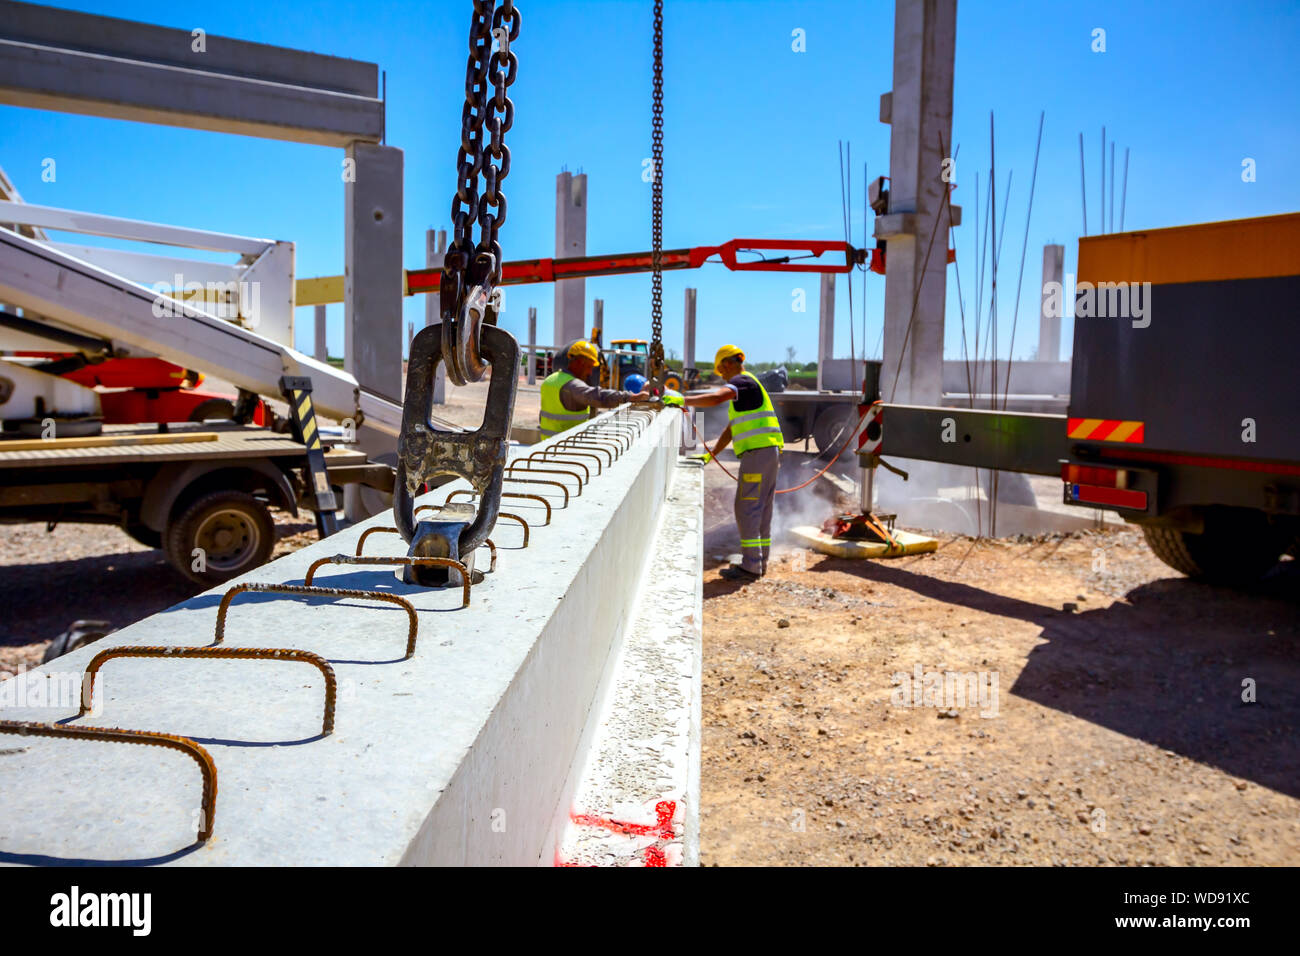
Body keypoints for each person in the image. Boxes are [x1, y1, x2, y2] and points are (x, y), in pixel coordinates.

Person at [679, 344, 783, 581]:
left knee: (746, 509)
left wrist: (683, 399)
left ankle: (750, 566)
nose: (722, 376)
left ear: (727, 364)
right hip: (768, 454)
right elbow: (731, 428)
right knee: (762, 510)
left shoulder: (742, 382)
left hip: (757, 456)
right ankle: (759, 562)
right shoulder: (750, 385)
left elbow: (716, 398)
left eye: (721, 371)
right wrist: (712, 453)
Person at [538, 339, 651, 438]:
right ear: (579, 363)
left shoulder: (550, 380)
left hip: (547, 445)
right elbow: (598, 396)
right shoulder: (572, 385)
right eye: (589, 367)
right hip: (565, 446)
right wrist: (631, 397)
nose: (590, 372)